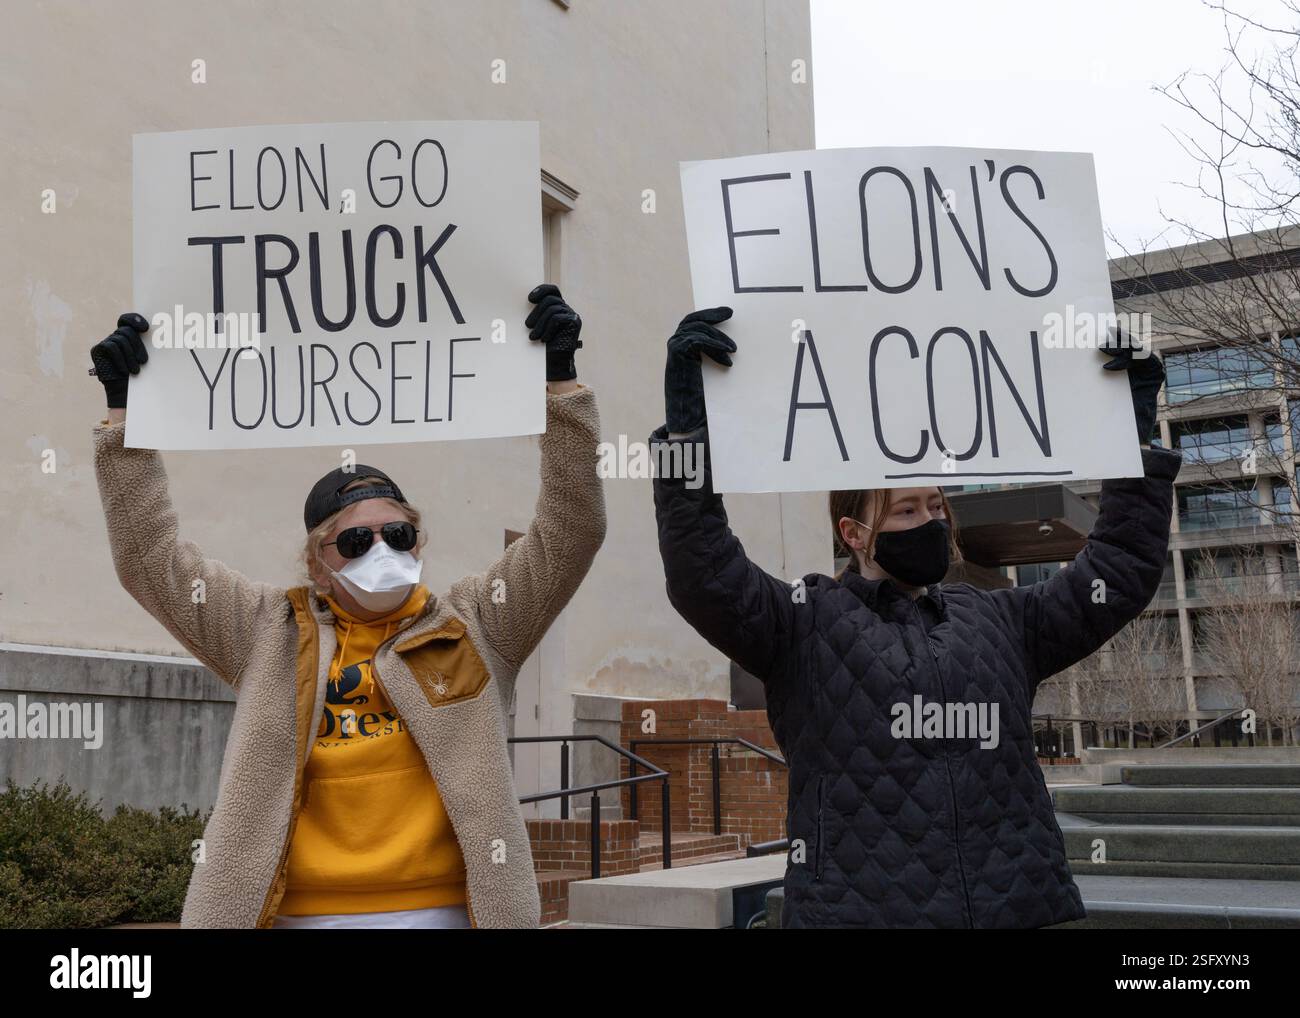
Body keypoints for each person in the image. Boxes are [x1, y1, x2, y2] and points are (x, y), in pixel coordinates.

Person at [90, 285, 606, 929]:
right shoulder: (265, 630)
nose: (382, 550)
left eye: (399, 533)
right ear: (317, 561)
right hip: (298, 917)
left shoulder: (475, 622)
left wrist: (560, 389)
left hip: (443, 913)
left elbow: (571, 531)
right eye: (358, 540)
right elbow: (148, 559)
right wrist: (125, 419)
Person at [649, 308, 1178, 929]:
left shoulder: (1002, 620)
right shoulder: (802, 622)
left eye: (935, 505)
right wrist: (687, 438)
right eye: (904, 511)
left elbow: (1115, 574)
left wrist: (1134, 436)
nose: (928, 522)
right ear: (854, 532)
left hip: (1016, 908)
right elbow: (703, 571)